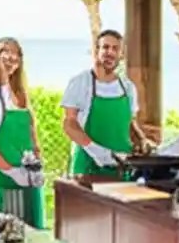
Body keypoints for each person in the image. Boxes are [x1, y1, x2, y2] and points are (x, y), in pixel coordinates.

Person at [61, 29, 151, 176]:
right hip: (88, 168)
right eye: (105, 47)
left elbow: (130, 124)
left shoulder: (128, 87)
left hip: (121, 167)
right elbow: (69, 123)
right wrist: (97, 151)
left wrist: (142, 140)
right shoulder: (80, 82)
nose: (110, 52)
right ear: (97, 51)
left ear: (121, 55)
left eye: (115, 48)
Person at [0, 37, 44, 227]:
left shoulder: (20, 94)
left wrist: (38, 165)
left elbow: (32, 136)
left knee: (33, 229)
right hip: (3, 176)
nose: (11, 57)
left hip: (28, 176)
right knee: (10, 230)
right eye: (6, 51)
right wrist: (11, 171)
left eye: (16, 54)